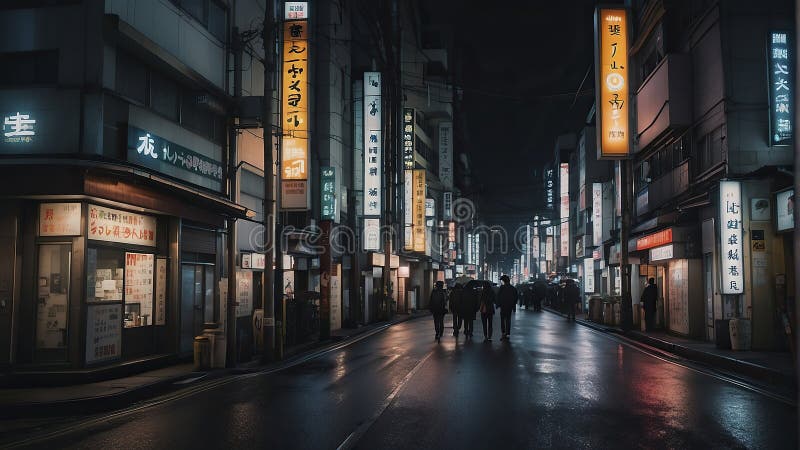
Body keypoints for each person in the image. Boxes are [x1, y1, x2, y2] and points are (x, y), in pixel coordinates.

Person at [497, 275, 518, 340]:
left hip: (503, 306)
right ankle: (507, 333)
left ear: (504, 281)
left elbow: (498, 296)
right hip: (509, 306)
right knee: (508, 320)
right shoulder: (513, 288)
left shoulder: (502, 288)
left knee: (502, 320)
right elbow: (516, 298)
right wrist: (513, 306)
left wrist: (498, 304)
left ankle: (503, 333)